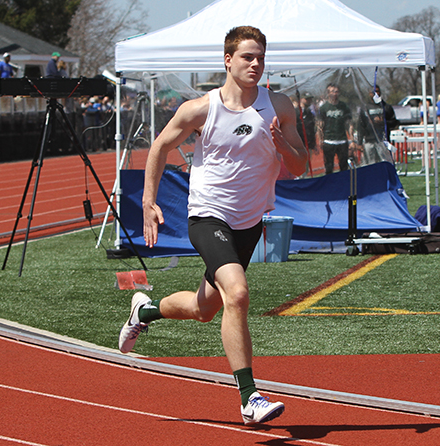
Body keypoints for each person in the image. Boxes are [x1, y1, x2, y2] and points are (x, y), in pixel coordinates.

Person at [118, 26, 307, 425]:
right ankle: (249, 397)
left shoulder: (281, 106)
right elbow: (159, 147)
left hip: (249, 222)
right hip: (208, 215)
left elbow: (299, 164)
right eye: (247, 57)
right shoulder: (200, 109)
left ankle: (144, 313)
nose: (255, 64)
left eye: (260, 57)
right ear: (228, 60)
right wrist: (148, 201)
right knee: (237, 293)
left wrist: (282, 145)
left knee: (205, 308)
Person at [355, 84, 397, 165]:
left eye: (377, 91)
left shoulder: (386, 107)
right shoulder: (365, 108)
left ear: (380, 92)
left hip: (382, 141)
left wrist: (383, 122)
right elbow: (360, 126)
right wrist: (359, 143)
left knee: (384, 163)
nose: (375, 94)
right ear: (369, 93)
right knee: (370, 164)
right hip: (369, 141)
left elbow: (394, 122)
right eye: (373, 92)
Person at [317, 83, 352, 174]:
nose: (334, 94)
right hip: (329, 141)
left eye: (336, 91)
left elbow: (349, 123)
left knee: (344, 166)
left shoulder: (344, 106)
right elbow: (320, 125)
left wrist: (351, 139)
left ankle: (344, 184)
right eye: (332, 91)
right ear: (328, 93)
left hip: (342, 140)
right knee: (329, 166)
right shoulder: (324, 108)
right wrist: (321, 139)